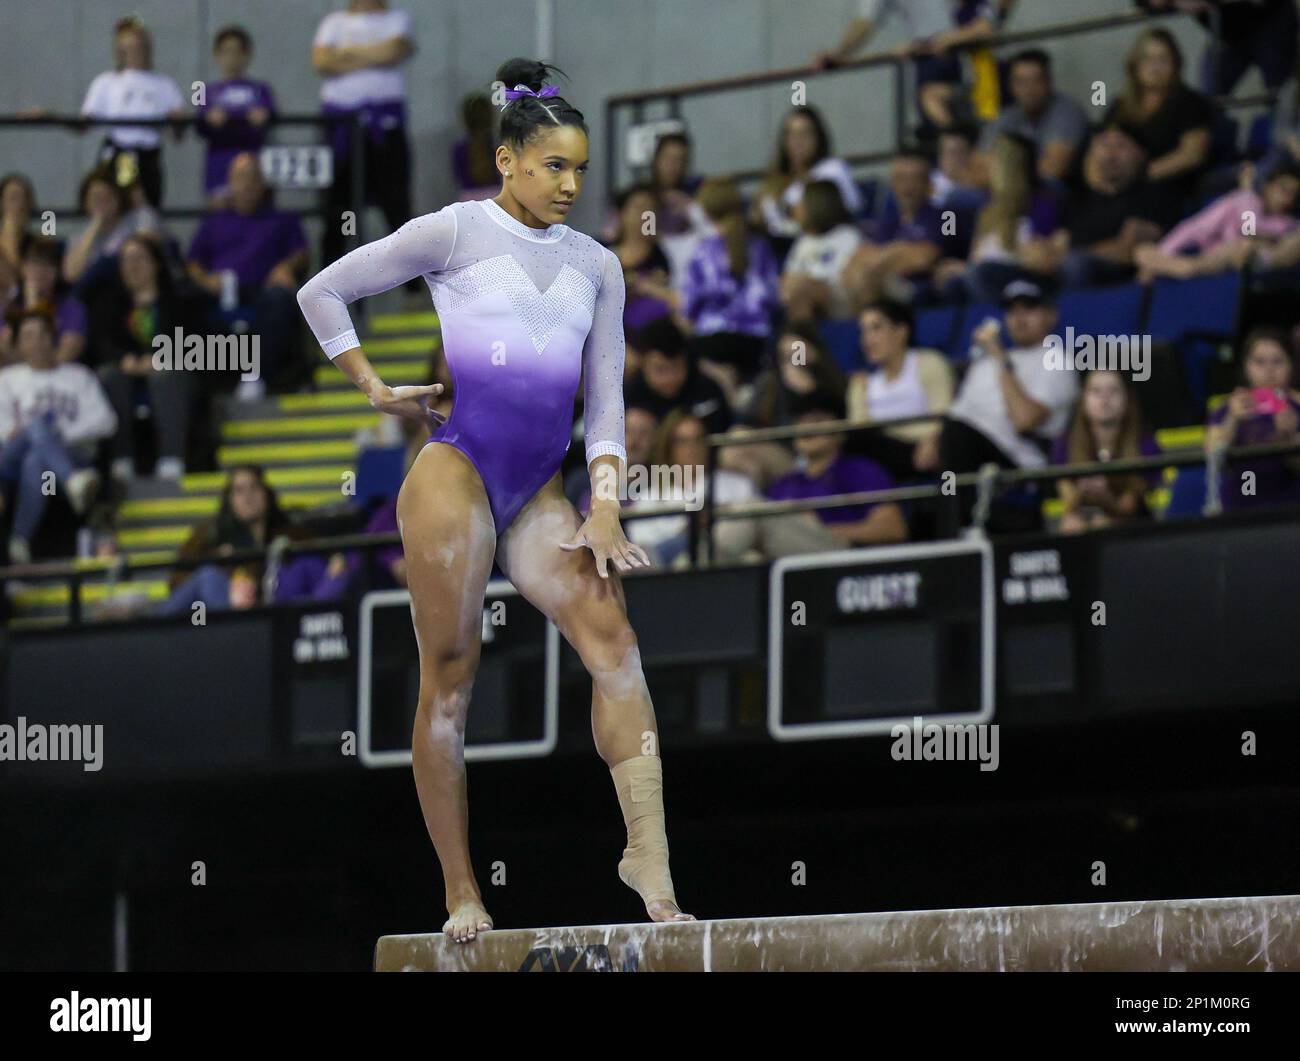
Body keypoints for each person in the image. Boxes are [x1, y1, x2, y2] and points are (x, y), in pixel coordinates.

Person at [296, 57, 694, 940]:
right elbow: (322, 289)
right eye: (555, 165)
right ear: (508, 157)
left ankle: (650, 863)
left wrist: (605, 504)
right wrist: (370, 384)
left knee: (614, 638)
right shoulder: (454, 232)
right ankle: (460, 888)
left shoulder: (599, 265)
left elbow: (608, 398)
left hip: (541, 491)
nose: (572, 184)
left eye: (582, 168)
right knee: (452, 677)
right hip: (458, 472)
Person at [915, 281, 1079, 525]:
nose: (1019, 318)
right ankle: (948, 520)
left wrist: (1002, 361)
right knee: (921, 501)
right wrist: (933, 439)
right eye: (1012, 311)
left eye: (1029, 309)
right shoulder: (985, 363)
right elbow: (958, 415)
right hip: (967, 456)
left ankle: (956, 525)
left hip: (1019, 464)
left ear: (1051, 315)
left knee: (957, 439)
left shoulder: (1056, 359)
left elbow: (1024, 421)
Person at [0, 307, 117, 563]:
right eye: (28, 336)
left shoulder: (78, 376)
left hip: (51, 474)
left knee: (38, 460)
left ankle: (20, 540)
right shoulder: (7, 379)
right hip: (11, 462)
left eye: (43, 334)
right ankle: (73, 481)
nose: (38, 341)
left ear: (52, 337)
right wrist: (42, 432)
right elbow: (5, 430)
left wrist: (56, 437)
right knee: (36, 428)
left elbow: (106, 421)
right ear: (18, 345)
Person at [186, 153, 309, 395]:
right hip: (221, 290)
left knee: (280, 298)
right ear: (230, 183)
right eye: (241, 178)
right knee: (186, 301)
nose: (248, 185)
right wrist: (205, 280)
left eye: (253, 178)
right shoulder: (214, 221)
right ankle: (195, 381)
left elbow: (301, 254)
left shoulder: (282, 219)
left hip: (263, 289)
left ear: (263, 183)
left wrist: (286, 267)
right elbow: (192, 262)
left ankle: (257, 375)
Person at [312, 0, 417, 275]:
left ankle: (411, 287)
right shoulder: (334, 23)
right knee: (338, 206)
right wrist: (372, 55)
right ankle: (328, 280)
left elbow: (393, 52)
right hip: (340, 126)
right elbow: (322, 60)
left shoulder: (396, 19)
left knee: (395, 203)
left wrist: (346, 55)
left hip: (384, 126)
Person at [86, 235, 199, 481]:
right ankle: (121, 459)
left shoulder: (180, 300)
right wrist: (123, 359)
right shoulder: (110, 303)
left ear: (156, 264)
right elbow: (101, 341)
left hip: (172, 370)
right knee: (108, 375)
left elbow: (197, 342)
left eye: (139, 258)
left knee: (166, 376)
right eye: (126, 260)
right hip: (127, 371)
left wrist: (162, 358)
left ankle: (172, 458)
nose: (132, 266)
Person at [815, 0, 1000, 132]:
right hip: (930, 55)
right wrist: (840, 53)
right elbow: (864, 21)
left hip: (968, 54)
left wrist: (952, 38)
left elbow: (987, 24)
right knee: (931, 113)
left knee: (942, 105)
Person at [765, 389, 909, 550]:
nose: (807, 428)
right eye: (800, 421)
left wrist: (818, 530)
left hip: (837, 556)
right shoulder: (784, 483)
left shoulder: (860, 471)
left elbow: (893, 529)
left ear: (841, 433)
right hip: (782, 561)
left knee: (754, 516)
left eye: (817, 420)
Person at [79, 16, 187, 208]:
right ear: (120, 51)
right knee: (125, 203)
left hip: (149, 157)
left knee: (148, 211)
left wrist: (178, 122)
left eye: (141, 46)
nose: (136, 52)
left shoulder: (164, 84)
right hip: (119, 154)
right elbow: (84, 123)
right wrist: (48, 116)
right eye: (130, 47)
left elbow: (177, 134)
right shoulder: (106, 82)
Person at [681, 177, 779, 384]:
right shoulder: (760, 246)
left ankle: (729, 390)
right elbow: (772, 297)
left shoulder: (703, 251)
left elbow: (689, 307)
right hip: (756, 341)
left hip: (713, 340)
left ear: (705, 211)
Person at [1134, 162, 1300, 282]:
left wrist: (1247, 191)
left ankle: (1183, 268)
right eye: (1283, 189)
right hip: (1210, 257)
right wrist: (1165, 252)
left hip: (1240, 262)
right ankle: (1168, 264)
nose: (1287, 198)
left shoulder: (1288, 224)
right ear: (1267, 187)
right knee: (1142, 251)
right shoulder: (1242, 201)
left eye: (1294, 194)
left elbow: (1249, 233)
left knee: (1244, 246)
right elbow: (1195, 228)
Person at [942, 132, 1059, 302]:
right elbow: (976, 259)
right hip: (983, 274)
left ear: (1005, 166)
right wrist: (958, 268)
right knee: (952, 283)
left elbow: (1039, 258)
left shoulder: (1040, 204)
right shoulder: (986, 210)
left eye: (990, 157)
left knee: (980, 274)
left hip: (1020, 277)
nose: (981, 162)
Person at [1106, 28, 1214, 208]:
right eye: (1147, 59)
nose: (1154, 67)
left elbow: (1193, 154)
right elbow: (1105, 144)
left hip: (1167, 188)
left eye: (1162, 59)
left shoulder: (1190, 102)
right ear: (1135, 64)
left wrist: (1143, 175)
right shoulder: (1119, 105)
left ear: (1175, 64)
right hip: (1120, 186)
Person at [845, 299, 953, 482]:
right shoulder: (862, 383)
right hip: (882, 456)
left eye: (876, 328)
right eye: (863, 331)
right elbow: (859, 430)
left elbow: (944, 414)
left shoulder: (929, 363)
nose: (867, 340)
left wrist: (932, 441)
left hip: (925, 447)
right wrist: (857, 393)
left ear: (901, 331)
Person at [1049, 124, 1168, 288]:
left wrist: (1067, 257)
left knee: (1074, 265)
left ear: (1141, 154)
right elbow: (1059, 241)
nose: (1111, 153)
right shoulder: (1076, 197)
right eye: (1104, 145)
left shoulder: (1153, 194)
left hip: (1119, 280)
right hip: (1068, 270)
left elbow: (1127, 251)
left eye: (1121, 146)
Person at [1052, 369, 1161, 534]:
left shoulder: (1145, 445)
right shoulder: (1064, 445)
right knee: (1071, 524)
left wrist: (1104, 496)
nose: (1105, 398)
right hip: (1084, 520)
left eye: (1113, 391)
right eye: (1096, 391)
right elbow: (1068, 507)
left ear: (1127, 399)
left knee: (1103, 523)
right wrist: (1082, 491)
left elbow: (1128, 508)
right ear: (1083, 400)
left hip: (1134, 527)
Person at [1204, 328, 1300, 512]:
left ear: (1291, 365)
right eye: (1260, 362)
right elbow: (1213, 458)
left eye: (1277, 361)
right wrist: (1232, 420)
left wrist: (1290, 437)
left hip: (1290, 508)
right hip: (1239, 508)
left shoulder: (1297, 406)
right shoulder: (1229, 408)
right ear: (1246, 366)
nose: (1269, 370)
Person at [842, 149, 947, 306]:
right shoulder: (887, 222)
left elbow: (927, 257)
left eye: (915, 179)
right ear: (892, 184)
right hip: (885, 283)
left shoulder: (948, 215)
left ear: (929, 185)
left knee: (867, 278)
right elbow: (857, 260)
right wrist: (899, 253)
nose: (907, 187)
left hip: (922, 286)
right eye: (901, 179)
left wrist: (885, 257)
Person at [753, 106, 863, 249]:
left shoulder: (832, 168)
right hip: (780, 247)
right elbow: (759, 218)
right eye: (792, 134)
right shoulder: (776, 178)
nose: (798, 141)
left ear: (818, 138)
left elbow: (825, 212)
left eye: (805, 133)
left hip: (826, 246)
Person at [975, 49, 1088, 184]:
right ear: (1011, 86)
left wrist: (1002, 173)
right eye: (1021, 82)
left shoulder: (1068, 112)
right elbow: (977, 167)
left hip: (1055, 195)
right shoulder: (1006, 116)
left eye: (1036, 81)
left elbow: (1052, 171)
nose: (1029, 89)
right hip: (1004, 192)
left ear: (1048, 82)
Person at [195, 26, 277, 203]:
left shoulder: (261, 89)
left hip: (253, 166)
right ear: (217, 55)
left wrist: (261, 118)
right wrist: (209, 119)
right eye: (226, 52)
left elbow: (269, 116)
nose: (232, 58)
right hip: (219, 167)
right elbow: (198, 123)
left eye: (237, 52)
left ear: (247, 55)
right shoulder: (203, 90)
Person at [624, 316, 733, 437]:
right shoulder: (629, 398)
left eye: (676, 367)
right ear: (643, 365)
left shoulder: (707, 390)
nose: (670, 378)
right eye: (660, 369)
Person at [62, 164, 165, 289]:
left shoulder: (139, 218)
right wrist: (96, 224)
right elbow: (71, 275)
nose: (102, 202)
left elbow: (150, 251)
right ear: (85, 203)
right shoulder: (79, 236)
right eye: (96, 198)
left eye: (107, 197)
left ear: (118, 198)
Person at [780, 180, 862, 323]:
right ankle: (800, 340)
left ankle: (801, 341)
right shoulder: (804, 241)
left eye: (801, 203)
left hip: (839, 303)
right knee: (798, 292)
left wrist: (807, 283)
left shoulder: (847, 236)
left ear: (816, 205)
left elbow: (844, 282)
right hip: (807, 301)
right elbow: (788, 280)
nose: (795, 209)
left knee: (803, 290)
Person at [0, 238, 88, 366]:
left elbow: (66, 354)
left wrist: (34, 307)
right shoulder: (9, 309)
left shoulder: (73, 309)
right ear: (23, 268)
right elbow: (5, 349)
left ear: (57, 272)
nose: (40, 271)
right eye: (34, 264)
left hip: (60, 380)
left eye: (47, 265)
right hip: (16, 379)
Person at [610, 183, 679, 332]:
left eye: (651, 209)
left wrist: (647, 288)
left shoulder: (665, 255)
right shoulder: (603, 252)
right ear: (622, 214)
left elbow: (678, 300)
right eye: (639, 208)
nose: (646, 215)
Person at [451, 93, 499, 201]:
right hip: (498, 201)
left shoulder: (459, 149)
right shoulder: (499, 147)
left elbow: (458, 178)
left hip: (468, 202)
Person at [0, 174, 38, 280]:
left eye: (25, 198)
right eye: (13, 198)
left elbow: (25, 279)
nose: (20, 204)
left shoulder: (38, 243)